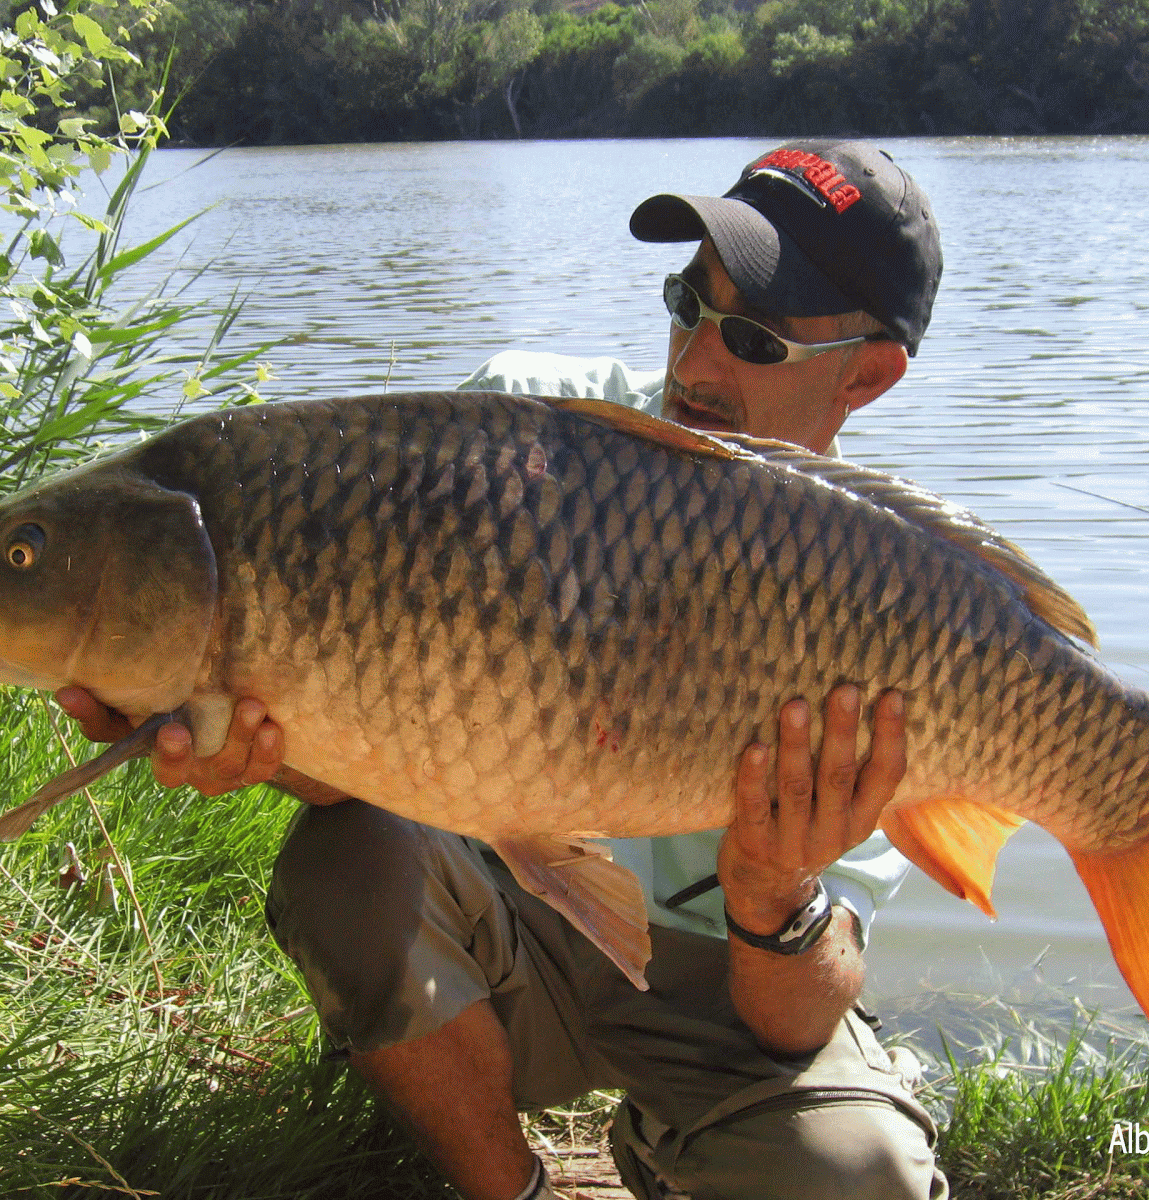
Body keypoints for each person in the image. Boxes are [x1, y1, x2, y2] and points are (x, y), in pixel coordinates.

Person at [60, 140, 947, 1200]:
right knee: (343, 864)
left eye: (751, 338)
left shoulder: (897, 607)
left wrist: (770, 889)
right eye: (686, 305)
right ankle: (508, 1189)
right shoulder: (521, 429)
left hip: (731, 992)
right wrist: (275, 746)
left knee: (865, 1181)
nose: (695, 364)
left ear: (867, 374)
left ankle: (677, 1141)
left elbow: (794, 1016)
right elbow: (365, 772)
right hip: (519, 936)